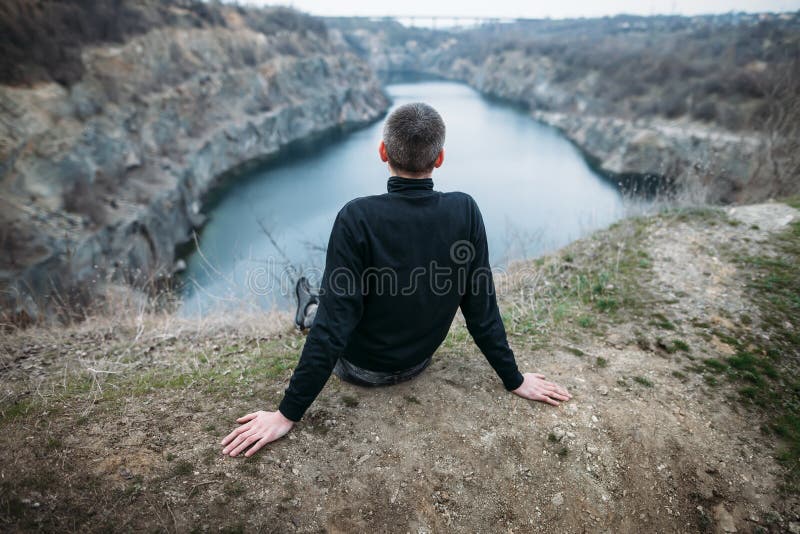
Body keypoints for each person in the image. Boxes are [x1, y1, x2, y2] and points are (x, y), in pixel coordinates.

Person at [221, 103, 572, 458]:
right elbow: (482, 310)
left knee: (329, 306)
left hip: (359, 369)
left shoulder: (357, 218)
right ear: (440, 158)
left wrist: (286, 414)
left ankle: (309, 309)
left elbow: (333, 328)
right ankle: (312, 305)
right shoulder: (465, 211)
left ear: (383, 152)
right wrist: (514, 379)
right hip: (417, 361)